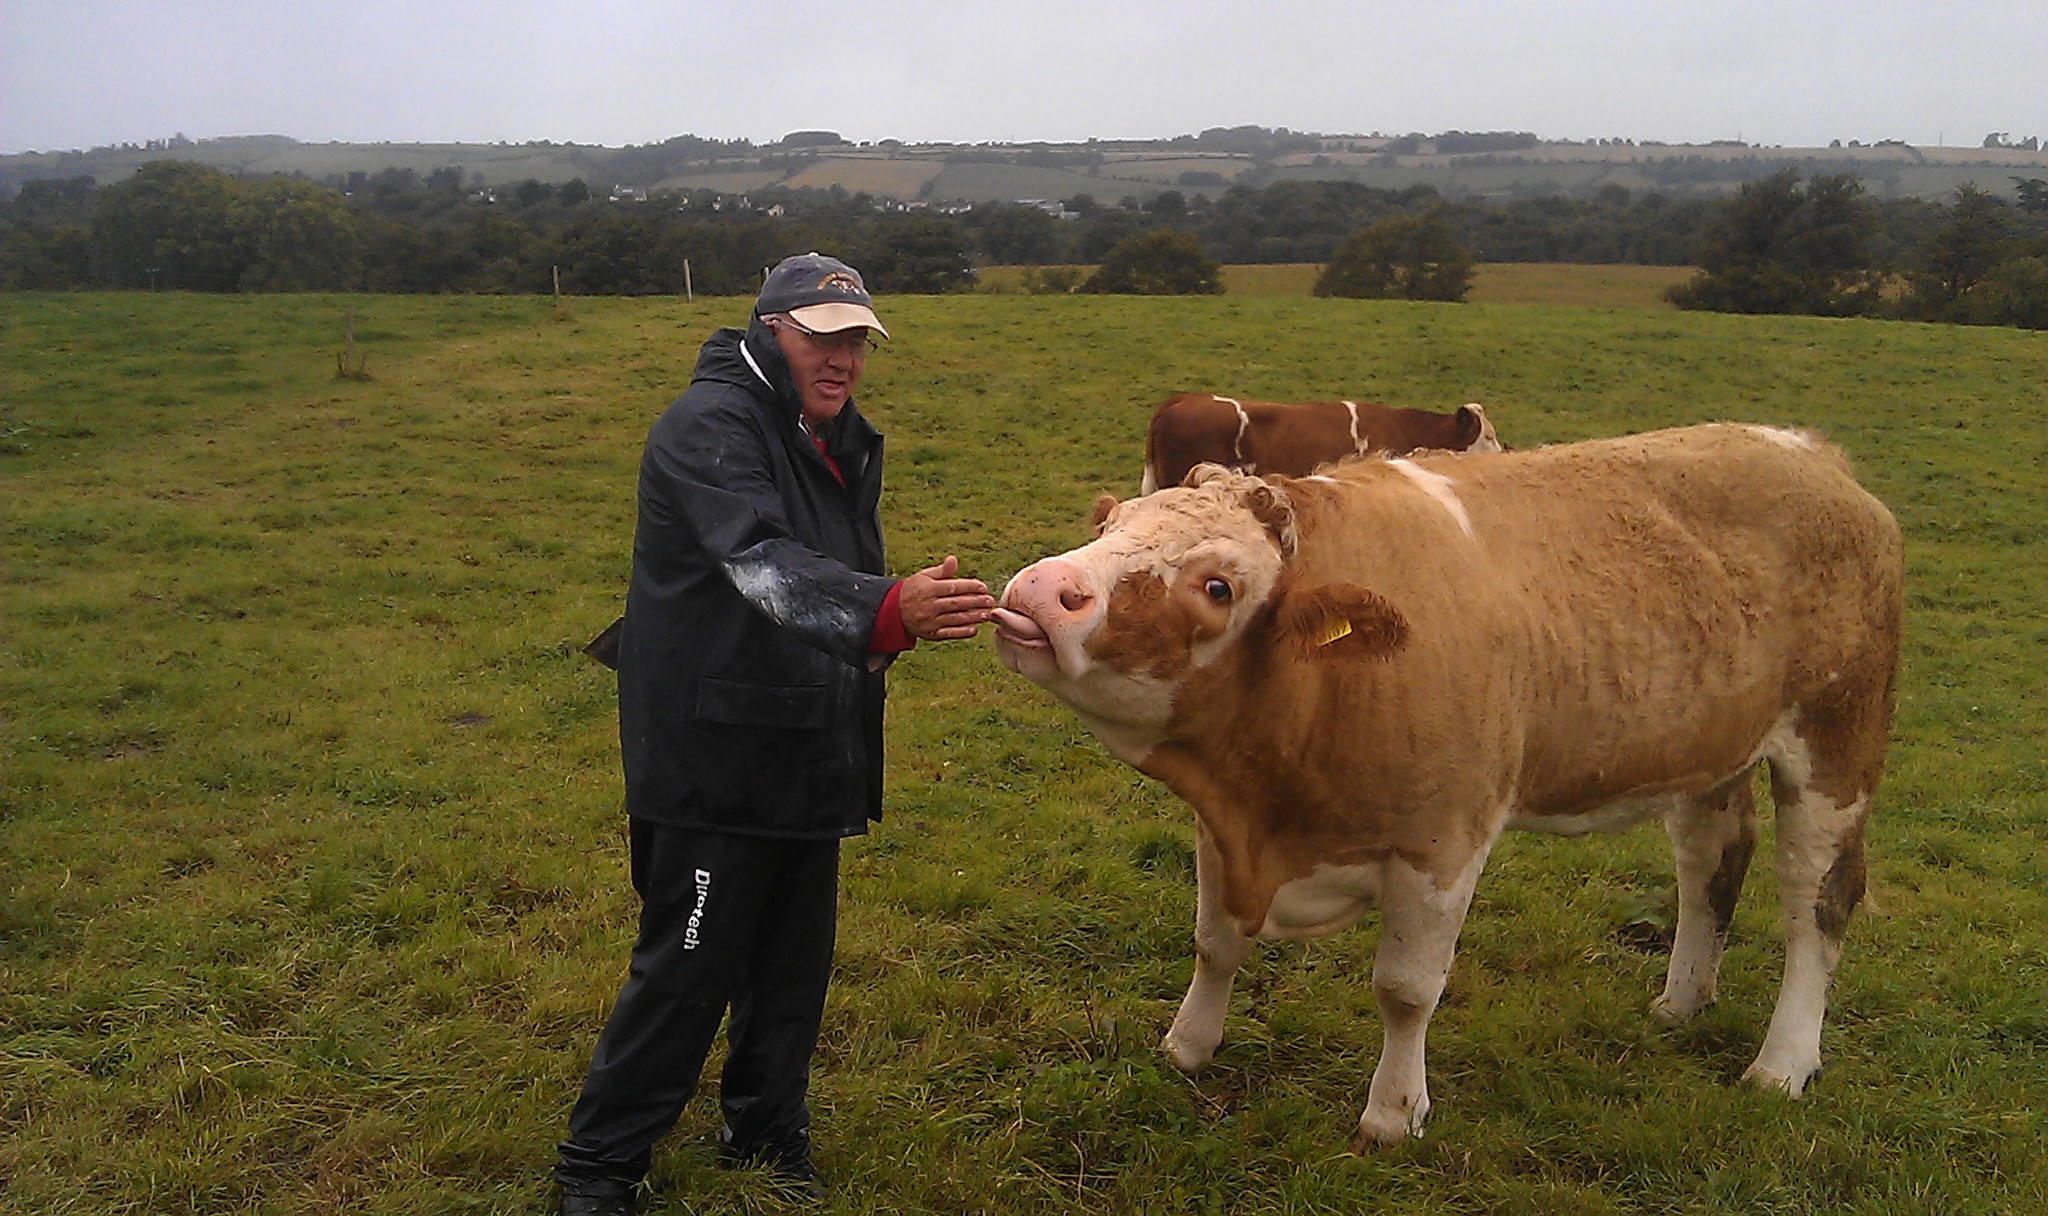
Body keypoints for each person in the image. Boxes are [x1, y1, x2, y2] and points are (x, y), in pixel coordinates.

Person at [555, 253, 995, 1215]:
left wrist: (890, 622)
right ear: (769, 330)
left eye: (856, 344)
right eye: (822, 338)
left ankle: (763, 1132)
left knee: (793, 962)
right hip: (713, 745)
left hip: (803, 733)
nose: (842, 362)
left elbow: (828, 573)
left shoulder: (824, 433)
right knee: (687, 966)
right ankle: (598, 1166)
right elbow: (759, 559)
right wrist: (886, 611)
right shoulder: (707, 426)